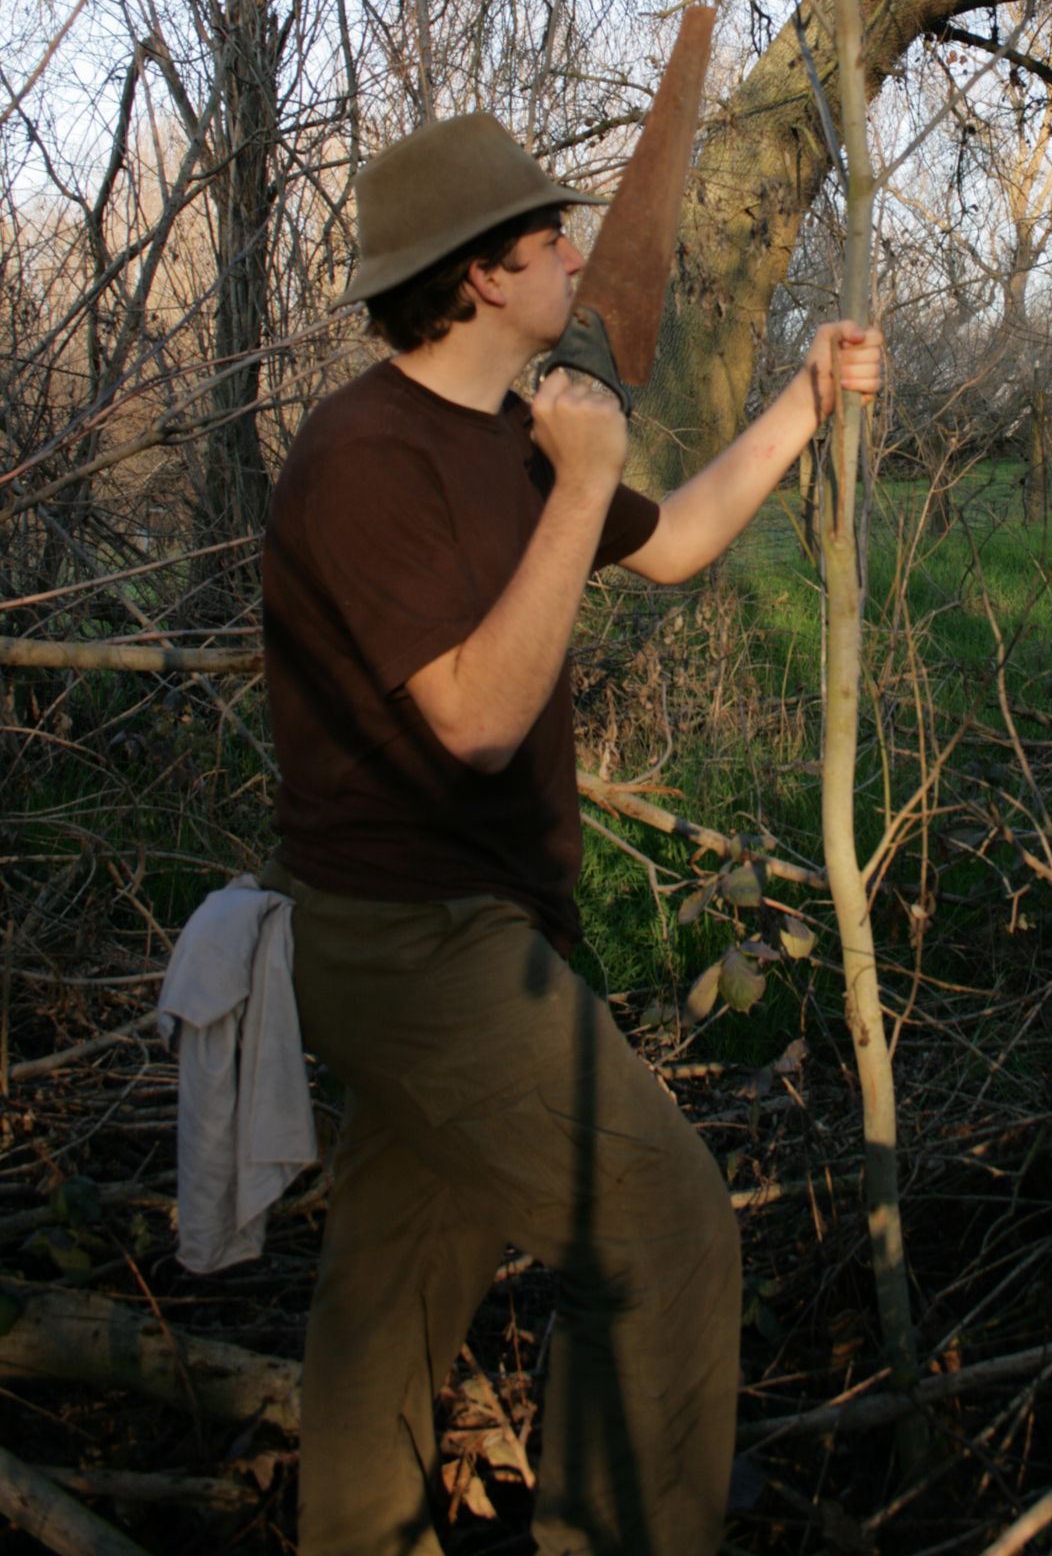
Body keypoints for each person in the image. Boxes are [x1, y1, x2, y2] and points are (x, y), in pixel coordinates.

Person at [259, 110, 882, 1556]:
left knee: (394, 1287)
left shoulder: (517, 438)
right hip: (417, 945)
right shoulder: (360, 457)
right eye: (552, 242)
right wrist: (585, 477)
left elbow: (671, 545)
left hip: (475, 933)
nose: (579, 258)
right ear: (481, 275)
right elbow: (473, 720)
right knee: (664, 1235)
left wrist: (801, 400)